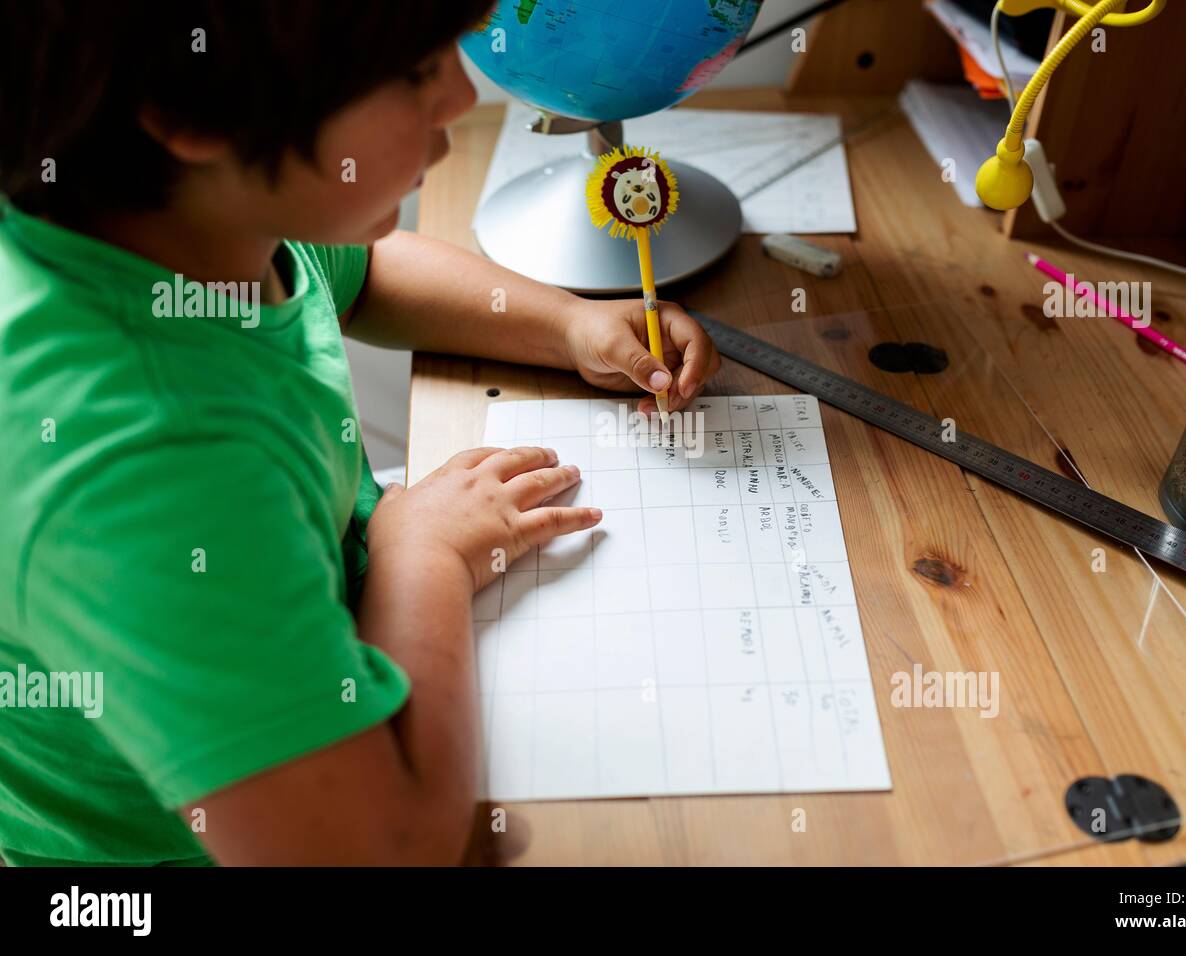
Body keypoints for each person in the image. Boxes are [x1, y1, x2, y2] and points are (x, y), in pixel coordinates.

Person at [0, 1, 719, 865]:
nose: (461, 92)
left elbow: (357, 272)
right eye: (416, 70)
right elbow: (387, 850)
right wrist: (424, 555)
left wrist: (566, 325)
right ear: (194, 111)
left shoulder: (190, 223)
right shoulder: (145, 466)